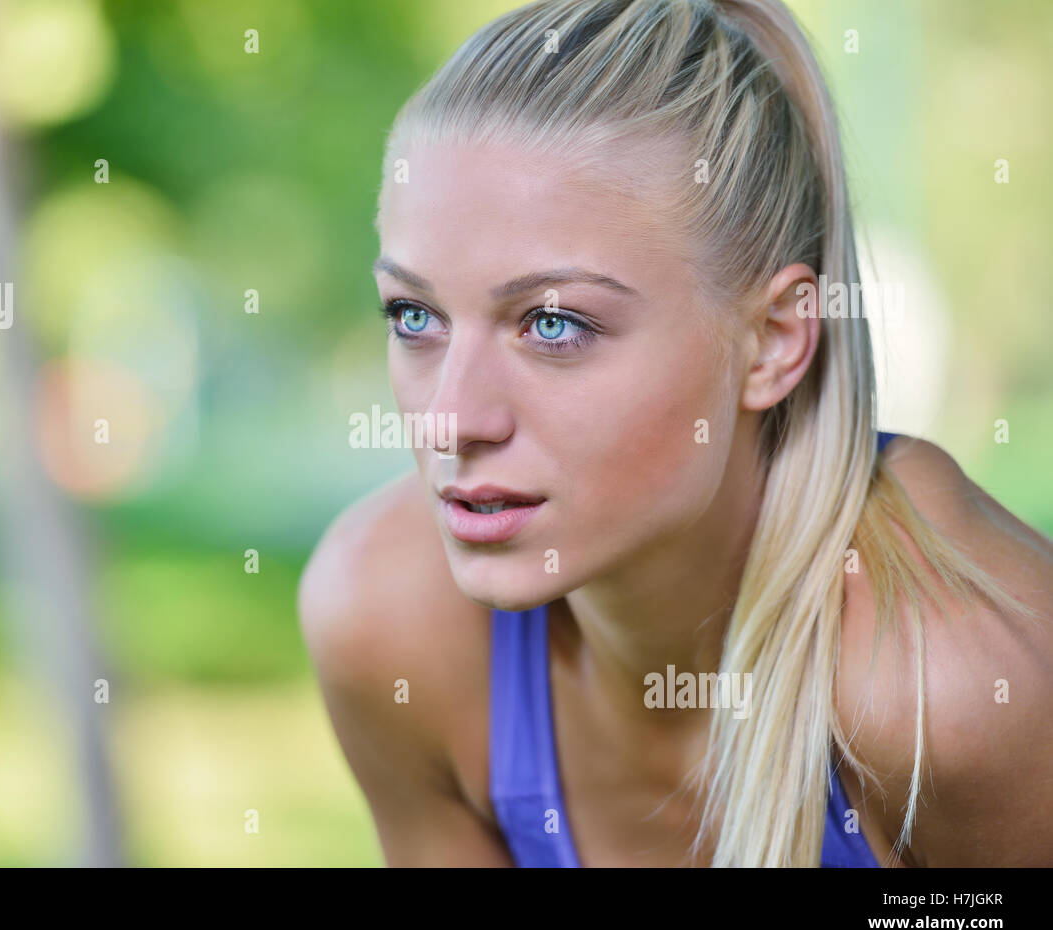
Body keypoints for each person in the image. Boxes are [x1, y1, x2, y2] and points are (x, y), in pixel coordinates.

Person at [297, 0, 1053, 866]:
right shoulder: (387, 623)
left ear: (773, 341)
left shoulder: (952, 688)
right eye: (415, 315)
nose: (451, 420)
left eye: (553, 324)